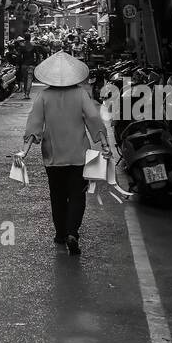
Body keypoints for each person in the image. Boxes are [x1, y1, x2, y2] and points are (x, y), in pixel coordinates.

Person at [20, 50, 110, 256]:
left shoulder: (43, 96)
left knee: (57, 196)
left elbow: (34, 124)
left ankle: (60, 234)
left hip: (53, 156)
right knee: (77, 195)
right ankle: (72, 233)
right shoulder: (81, 94)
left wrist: (24, 150)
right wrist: (105, 144)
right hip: (78, 155)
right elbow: (93, 118)